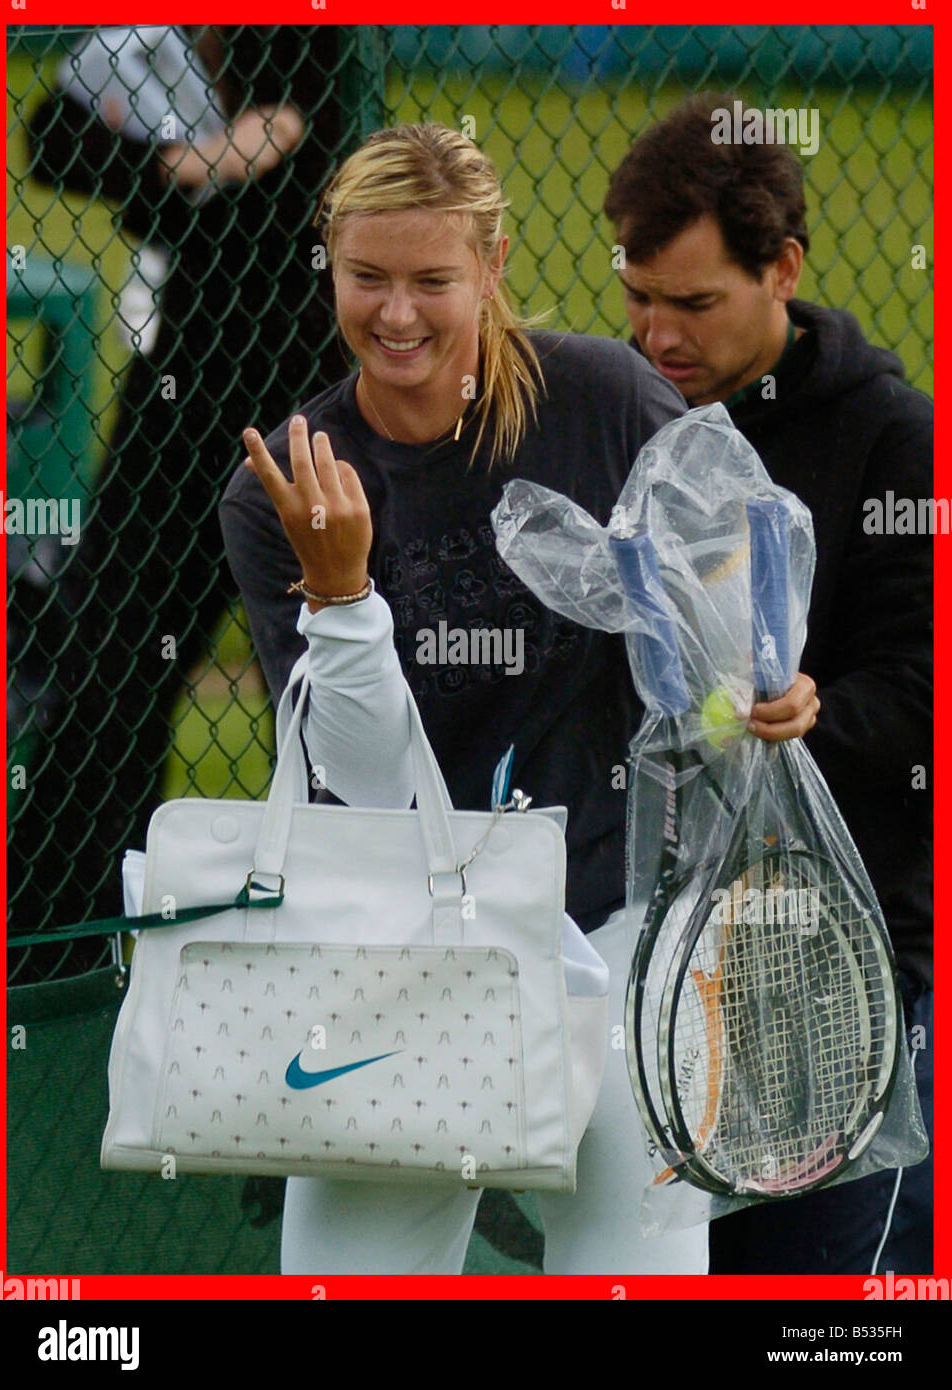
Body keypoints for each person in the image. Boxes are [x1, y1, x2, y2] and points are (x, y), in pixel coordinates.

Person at [219, 121, 817, 1275]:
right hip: (396, 960)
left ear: (490, 269)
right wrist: (341, 596)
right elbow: (368, 784)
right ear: (329, 265)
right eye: (368, 277)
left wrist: (754, 669)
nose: (398, 314)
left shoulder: (603, 396)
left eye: (433, 279)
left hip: (615, 931)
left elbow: (732, 561)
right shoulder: (281, 489)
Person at [604, 91, 933, 1275]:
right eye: (637, 298)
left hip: (839, 969)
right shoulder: (621, 412)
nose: (658, 335)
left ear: (781, 268)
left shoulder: (895, 439)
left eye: (693, 303)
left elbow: (924, 690)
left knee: (825, 1306)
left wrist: (817, 714)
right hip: (645, 977)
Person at [8, 26, 345, 966]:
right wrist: (177, 168)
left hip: (303, 377)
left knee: (320, 671)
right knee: (109, 650)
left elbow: (278, 156)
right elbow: (48, 137)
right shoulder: (139, 37)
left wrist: (173, 178)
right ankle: (72, 942)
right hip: (186, 382)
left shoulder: (306, 32)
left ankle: (326, 932)